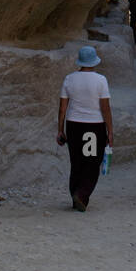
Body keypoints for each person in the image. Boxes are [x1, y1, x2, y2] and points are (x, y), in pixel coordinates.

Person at [57, 46, 114, 212]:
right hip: (94, 126)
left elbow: (62, 108)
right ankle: (82, 194)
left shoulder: (69, 79)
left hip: (74, 124)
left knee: (77, 161)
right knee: (91, 162)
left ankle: (75, 193)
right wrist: (110, 131)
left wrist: (60, 130)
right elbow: (105, 108)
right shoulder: (101, 80)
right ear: (94, 61)